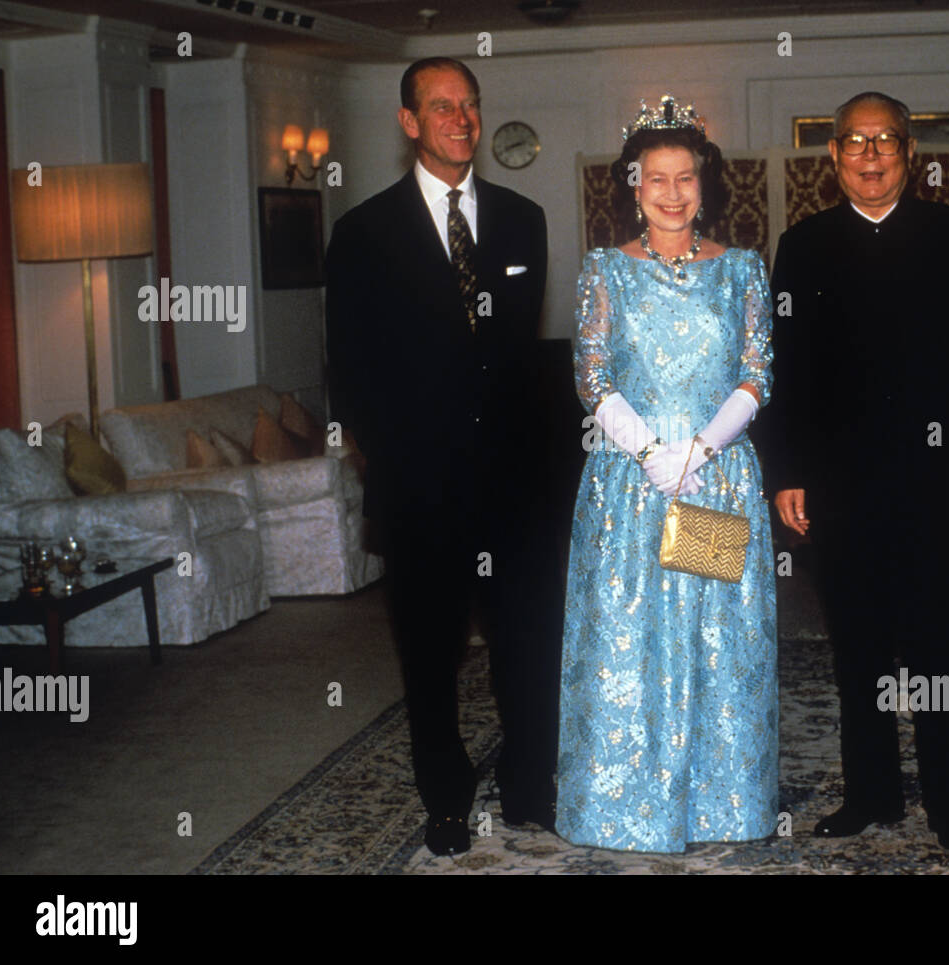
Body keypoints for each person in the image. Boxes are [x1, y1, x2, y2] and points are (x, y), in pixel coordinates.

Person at [752, 91, 949, 852]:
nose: (869, 155)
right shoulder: (802, 245)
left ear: (910, 151)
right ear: (832, 155)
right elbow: (786, 365)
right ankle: (870, 794)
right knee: (856, 645)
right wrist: (786, 470)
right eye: (855, 142)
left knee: (938, 646)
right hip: (838, 487)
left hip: (939, 483)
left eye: (885, 141)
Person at [324, 57, 563, 857]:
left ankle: (533, 787)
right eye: (442, 107)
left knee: (528, 646)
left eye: (470, 105)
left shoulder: (523, 218)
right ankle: (447, 799)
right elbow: (349, 372)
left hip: (517, 490)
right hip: (420, 490)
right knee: (429, 657)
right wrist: (399, 459)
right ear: (408, 122)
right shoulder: (363, 233)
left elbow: (519, 356)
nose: (461, 119)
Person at [556, 95, 778, 853]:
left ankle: (717, 804)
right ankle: (628, 804)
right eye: (658, 178)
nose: (673, 193)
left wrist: (700, 450)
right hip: (631, 484)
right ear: (633, 183)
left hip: (712, 481)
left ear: (705, 185)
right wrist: (650, 451)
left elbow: (757, 373)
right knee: (632, 640)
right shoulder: (604, 272)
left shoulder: (743, 269)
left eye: (686, 178)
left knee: (714, 641)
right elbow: (590, 373)